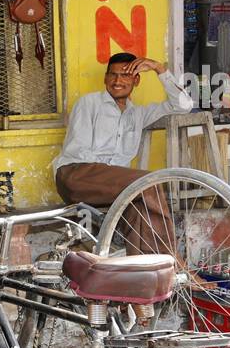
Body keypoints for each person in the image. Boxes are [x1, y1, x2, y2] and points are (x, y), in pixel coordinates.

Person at [51, 52, 194, 256]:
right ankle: (175, 262)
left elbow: (183, 106)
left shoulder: (138, 114)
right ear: (105, 78)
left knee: (140, 209)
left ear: (136, 80)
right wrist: (123, 182)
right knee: (147, 182)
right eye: (113, 75)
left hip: (110, 186)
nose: (117, 81)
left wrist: (158, 69)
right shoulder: (89, 103)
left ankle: (146, 274)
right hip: (75, 175)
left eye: (125, 75)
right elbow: (80, 153)